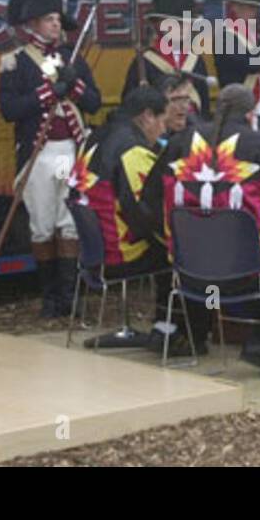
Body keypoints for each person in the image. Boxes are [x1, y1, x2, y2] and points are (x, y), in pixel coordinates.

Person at [146, 84, 260, 374]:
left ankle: (194, 335)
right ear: (250, 113)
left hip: (188, 273)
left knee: (204, 238)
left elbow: (149, 200)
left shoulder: (177, 143)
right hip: (246, 271)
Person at [68, 85, 201, 355]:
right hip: (119, 254)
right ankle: (180, 334)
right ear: (147, 116)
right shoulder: (132, 150)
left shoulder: (94, 138)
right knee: (188, 255)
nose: (164, 131)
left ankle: (167, 328)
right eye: (162, 122)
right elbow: (146, 216)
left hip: (94, 252)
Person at [0, 0, 102, 316]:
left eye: (59, 20)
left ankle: (70, 296)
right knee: (42, 225)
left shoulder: (72, 60)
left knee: (69, 222)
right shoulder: (16, 61)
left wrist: (74, 87)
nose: (56, 25)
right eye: (49, 20)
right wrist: (46, 94)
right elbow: (9, 110)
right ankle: (50, 296)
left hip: (69, 151)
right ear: (33, 24)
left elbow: (94, 103)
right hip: (38, 154)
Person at [122, 0, 212, 119]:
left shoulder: (196, 60)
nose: (183, 28)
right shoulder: (144, 63)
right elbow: (128, 108)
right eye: (176, 23)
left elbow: (204, 106)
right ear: (160, 24)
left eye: (186, 23)